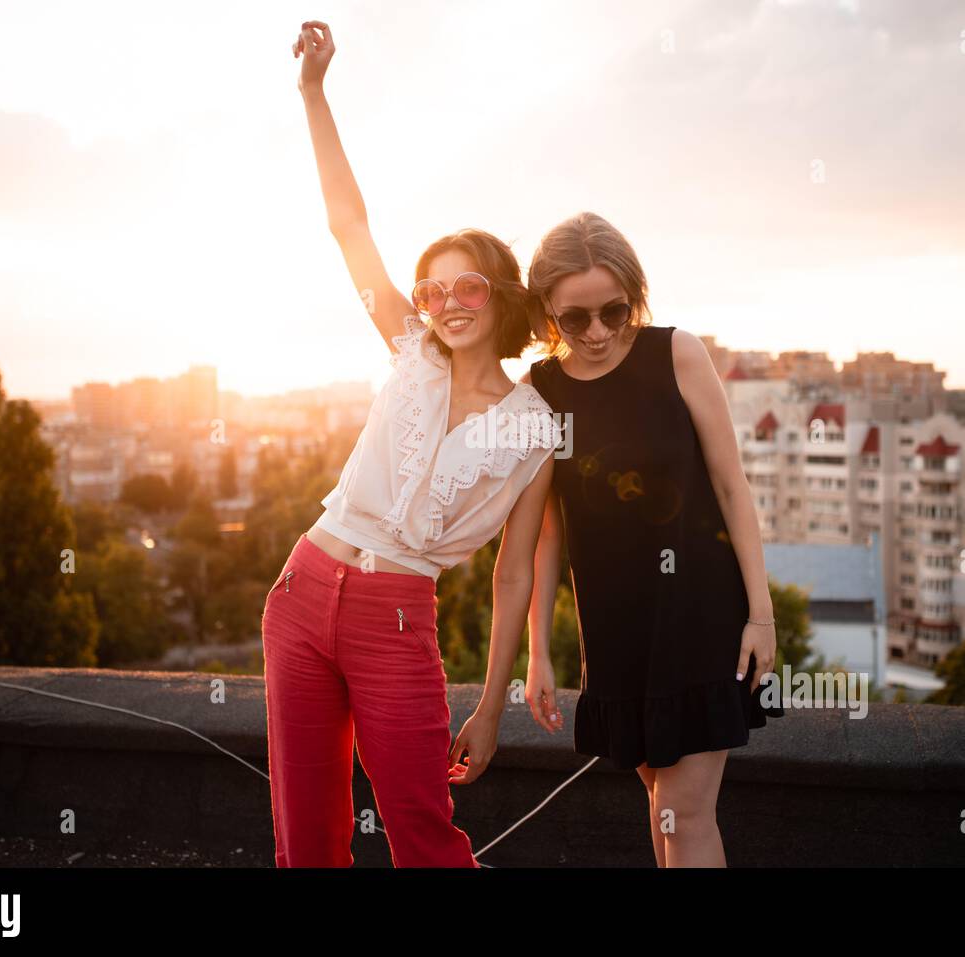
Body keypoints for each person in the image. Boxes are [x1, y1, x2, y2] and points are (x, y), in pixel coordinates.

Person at [262, 20, 558, 868]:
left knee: (426, 836)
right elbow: (348, 226)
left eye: (467, 284)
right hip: (304, 582)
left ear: (499, 295)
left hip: (397, 617)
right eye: (433, 289)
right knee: (307, 839)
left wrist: (494, 704)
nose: (446, 302)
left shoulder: (537, 428)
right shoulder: (411, 349)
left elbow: (515, 572)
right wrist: (315, 93)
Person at [522, 211, 785, 868]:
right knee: (666, 810)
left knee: (687, 812)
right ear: (546, 310)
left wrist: (761, 612)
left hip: (701, 616)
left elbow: (732, 486)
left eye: (614, 310)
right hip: (614, 632)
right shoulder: (539, 390)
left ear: (633, 293)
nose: (599, 333)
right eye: (574, 318)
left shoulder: (677, 353)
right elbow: (546, 534)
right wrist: (539, 651)